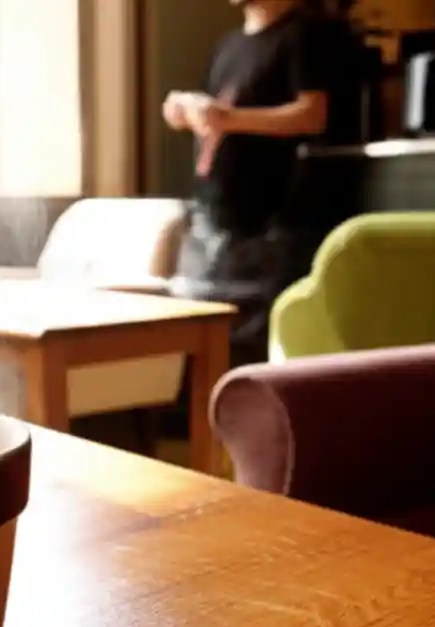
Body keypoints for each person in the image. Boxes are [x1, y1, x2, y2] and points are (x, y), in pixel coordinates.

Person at [164, 0, 332, 366]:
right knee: (200, 345)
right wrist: (183, 109)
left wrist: (229, 119)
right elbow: (211, 115)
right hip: (210, 212)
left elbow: (313, 114)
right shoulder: (228, 44)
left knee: (247, 348)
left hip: (264, 220)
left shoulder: (302, 34)